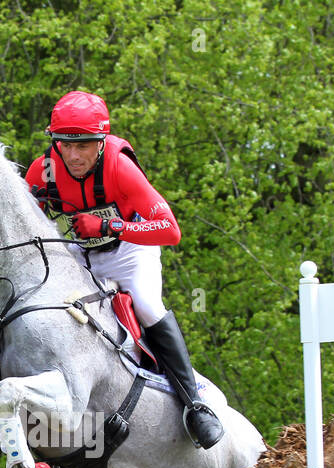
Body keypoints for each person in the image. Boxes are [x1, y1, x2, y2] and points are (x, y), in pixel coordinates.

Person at [24, 90, 223, 448]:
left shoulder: (119, 167)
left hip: (132, 249)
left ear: (100, 142)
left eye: (83, 145)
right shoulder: (45, 169)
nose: (73, 156)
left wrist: (111, 226)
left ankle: (195, 405)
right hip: (81, 251)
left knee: (147, 305)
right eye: (64, 144)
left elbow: (170, 231)